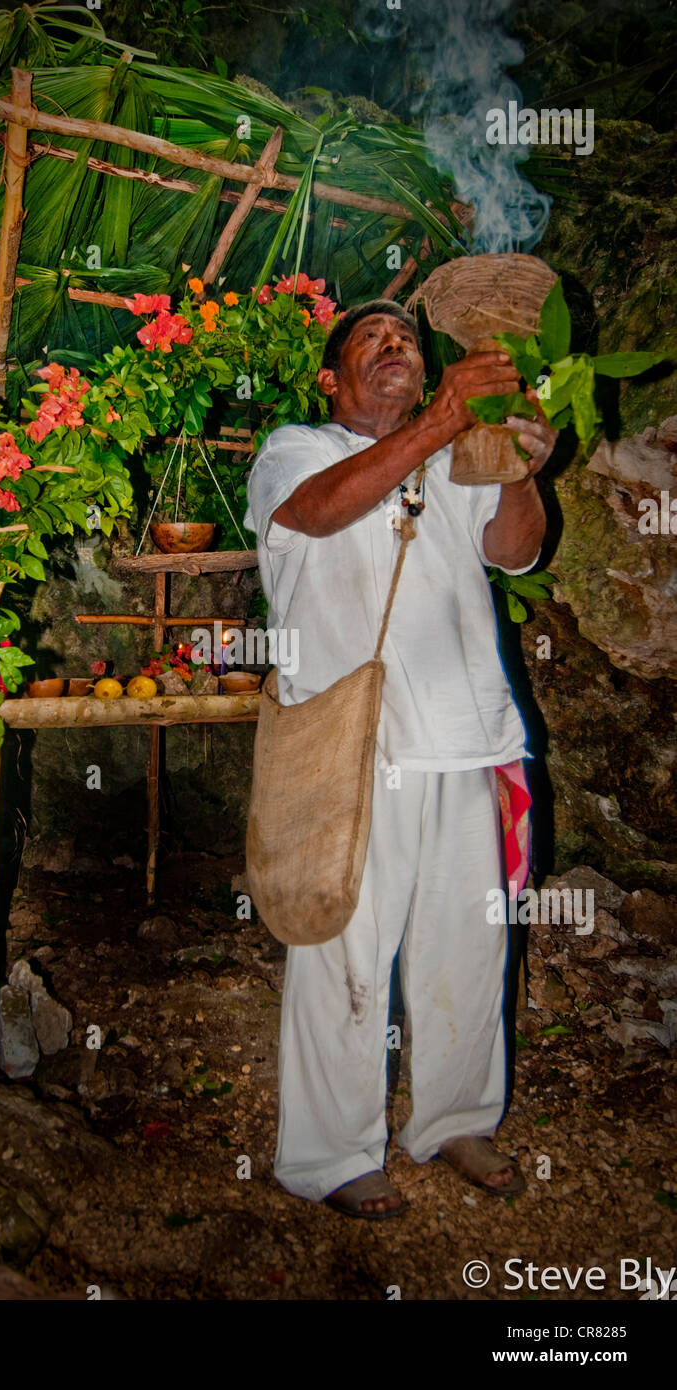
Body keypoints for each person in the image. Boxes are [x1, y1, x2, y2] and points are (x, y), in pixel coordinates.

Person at [243, 299, 556, 1218]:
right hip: (351, 742)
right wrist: (440, 423)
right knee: (341, 944)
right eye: (371, 343)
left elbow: (516, 551)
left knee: (468, 945)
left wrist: (516, 471)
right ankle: (328, 1155)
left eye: (409, 342)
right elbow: (317, 514)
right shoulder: (295, 450)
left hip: (469, 735)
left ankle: (455, 1118)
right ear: (331, 381)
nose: (397, 349)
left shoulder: (456, 453)